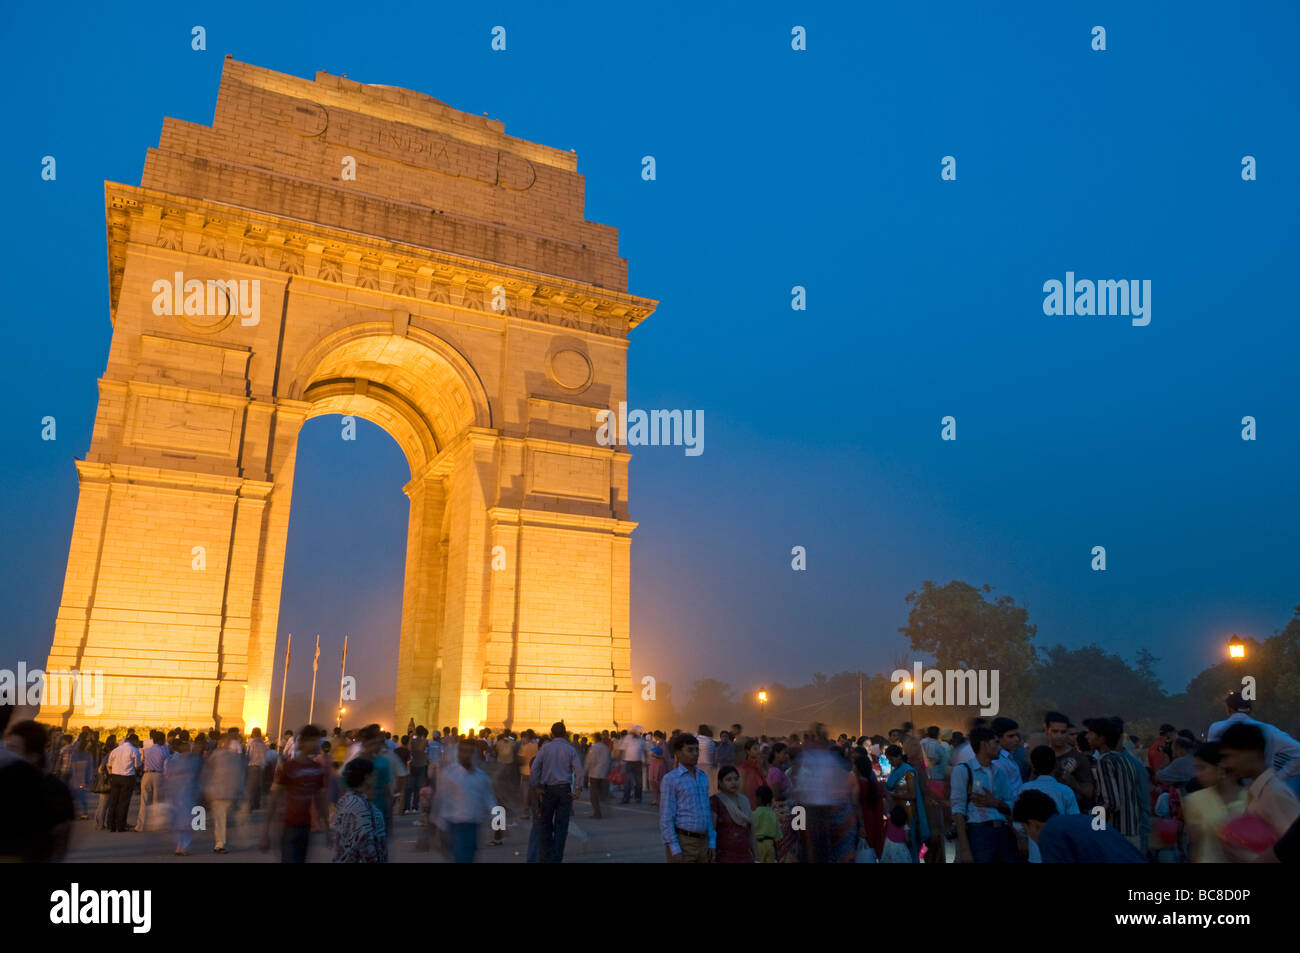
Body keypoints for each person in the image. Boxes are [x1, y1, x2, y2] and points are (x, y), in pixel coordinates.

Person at [1218, 722, 1300, 859]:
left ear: (1254, 753)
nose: (1227, 764)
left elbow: (1292, 849)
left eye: (1231, 756)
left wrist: (1246, 856)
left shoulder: (1274, 793)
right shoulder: (1255, 792)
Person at [2, 719, 74, 862]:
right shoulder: (5, 780)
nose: (6, 754)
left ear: (34, 755)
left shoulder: (54, 790)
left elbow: (60, 843)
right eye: (6, 747)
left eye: (13, 749)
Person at [1012, 790, 1147, 862]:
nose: (1029, 836)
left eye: (1025, 829)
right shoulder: (1087, 820)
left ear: (1032, 824)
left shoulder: (1050, 832)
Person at [1208, 692, 1300, 797]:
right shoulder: (1268, 730)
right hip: (1262, 794)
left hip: (1227, 795)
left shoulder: (1216, 728)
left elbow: (1211, 759)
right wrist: (1277, 778)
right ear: (1250, 711)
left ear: (1229, 710)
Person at [950, 725, 1019, 863]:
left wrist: (996, 803)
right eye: (996, 743)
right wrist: (965, 849)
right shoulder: (963, 771)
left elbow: (1011, 805)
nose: (1000, 747)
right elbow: (958, 810)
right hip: (979, 833)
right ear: (984, 745)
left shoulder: (1000, 772)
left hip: (1003, 832)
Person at [261, 724, 330, 863]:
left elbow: (319, 800)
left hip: (305, 827)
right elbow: (273, 800)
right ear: (304, 742)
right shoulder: (288, 768)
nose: (317, 744)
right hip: (289, 827)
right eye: (314, 741)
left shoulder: (316, 769)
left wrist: (327, 828)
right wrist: (265, 832)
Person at [1083, 716, 1146, 853]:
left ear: (1102, 738)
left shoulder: (1104, 761)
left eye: (1091, 733)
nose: (1087, 737)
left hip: (1116, 834)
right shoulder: (1126, 760)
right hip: (1133, 832)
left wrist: (1090, 819)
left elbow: (1111, 803)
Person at [1181, 742, 1246, 863]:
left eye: (1202, 768)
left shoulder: (1251, 799)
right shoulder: (1194, 800)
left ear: (1220, 767)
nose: (1197, 774)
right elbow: (1195, 847)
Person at [528, 721, 583, 863]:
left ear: (551, 734)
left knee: (546, 825)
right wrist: (578, 789)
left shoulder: (545, 749)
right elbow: (579, 770)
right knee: (561, 828)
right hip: (564, 790)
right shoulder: (570, 749)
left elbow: (534, 769)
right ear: (565, 734)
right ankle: (556, 858)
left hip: (548, 790)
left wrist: (537, 786)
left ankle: (545, 857)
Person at [659, 732, 715, 862]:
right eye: (690, 750)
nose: (695, 754)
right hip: (683, 841)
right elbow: (666, 816)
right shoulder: (671, 779)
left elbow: (707, 811)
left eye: (697, 750)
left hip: (703, 841)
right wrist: (674, 848)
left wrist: (712, 841)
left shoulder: (702, 776)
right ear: (678, 753)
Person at [1018, 746, 1080, 862]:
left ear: (1033, 766)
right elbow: (1074, 822)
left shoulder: (1024, 789)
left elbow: (1019, 824)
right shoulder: (1064, 790)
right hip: (1061, 853)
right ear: (1056, 765)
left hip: (1035, 854)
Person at [332, 757, 388, 862]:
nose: (376, 778)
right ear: (367, 778)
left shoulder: (345, 800)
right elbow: (367, 844)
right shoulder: (361, 807)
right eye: (374, 775)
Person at [1044, 712, 1096, 810]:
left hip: (1072, 811)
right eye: (1055, 731)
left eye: (1063, 732)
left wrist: (1073, 784)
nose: (1059, 736)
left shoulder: (1079, 758)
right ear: (1047, 731)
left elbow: (1090, 793)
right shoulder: (1040, 755)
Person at [203, 735, 245, 853]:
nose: (227, 744)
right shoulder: (216, 756)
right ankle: (219, 844)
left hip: (229, 793)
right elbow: (207, 772)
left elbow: (238, 774)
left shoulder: (232, 757)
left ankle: (222, 841)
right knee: (221, 819)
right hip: (218, 793)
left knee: (224, 819)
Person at [710, 765, 756, 862]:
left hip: (745, 857)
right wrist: (712, 852)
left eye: (736, 779)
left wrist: (757, 857)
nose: (733, 782)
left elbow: (751, 832)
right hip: (724, 857)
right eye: (728, 779)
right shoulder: (716, 801)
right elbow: (711, 830)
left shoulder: (744, 801)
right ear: (720, 782)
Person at [165, 738, 203, 856]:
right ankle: (183, 847)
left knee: (179, 822)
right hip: (188, 793)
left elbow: (169, 776)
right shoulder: (193, 761)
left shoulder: (175, 760)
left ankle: (180, 846)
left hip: (179, 793)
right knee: (187, 823)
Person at [106, 732, 142, 832]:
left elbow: (109, 764)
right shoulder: (134, 750)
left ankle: (111, 824)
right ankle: (120, 825)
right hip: (128, 777)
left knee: (113, 801)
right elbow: (137, 766)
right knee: (124, 802)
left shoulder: (116, 750)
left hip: (115, 777)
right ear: (134, 741)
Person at [584, 729, 611, 818]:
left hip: (594, 774)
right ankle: (604, 810)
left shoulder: (594, 747)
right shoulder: (605, 748)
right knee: (602, 794)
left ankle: (597, 812)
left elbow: (590, 760)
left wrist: (586, 770)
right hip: (604, 774)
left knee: (594, 795)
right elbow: (608, 761)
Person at [752, 785, 779, 863]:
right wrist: (777, 855)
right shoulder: (773, 815)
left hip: (757, 846)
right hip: (770, 845)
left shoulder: (753, 814)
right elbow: (777, 837)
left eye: (755, 797)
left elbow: (750, 833)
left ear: (759, 799)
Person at [619, 728, 644, 804]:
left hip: (638, 762)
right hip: (628, 762)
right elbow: (622, 750)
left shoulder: (641, 739)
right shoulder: (627, 738)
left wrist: (645, 760)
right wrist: (620, 759)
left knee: (639, 782)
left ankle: (638, 797)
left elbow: (645, 750)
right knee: (627, 781)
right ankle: (626, 798)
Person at [246, 727, 268, 812]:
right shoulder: (263, 743)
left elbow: (249, 755)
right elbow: (265, 756)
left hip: (253, 766)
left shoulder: (252, 743)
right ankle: (257, 804)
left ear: (253, 733)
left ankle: (250, 806)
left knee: (251, 787)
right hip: (262, 767)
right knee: (259, 786)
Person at [648, 730, 669, 806]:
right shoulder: (658, 743)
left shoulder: (663, 743)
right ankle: (655, 799)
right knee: (653, 781)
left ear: (656, 736)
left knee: (659, 782)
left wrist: (655, 756)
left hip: (660, 765)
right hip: (654, 764)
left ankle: (660, 800)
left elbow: (665, 756)